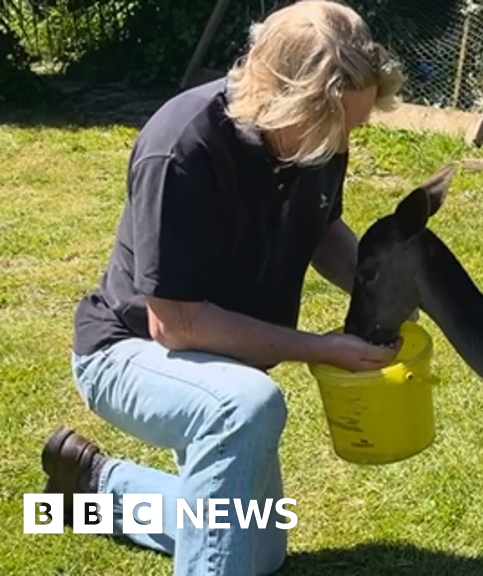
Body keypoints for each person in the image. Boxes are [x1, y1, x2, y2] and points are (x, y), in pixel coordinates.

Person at [39, 2, 407, 574]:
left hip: (220, 358)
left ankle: (94, 486)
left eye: (352, 128)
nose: (342, 145)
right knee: (246, 407)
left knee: (260, 547)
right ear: (284, 98)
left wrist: (387, 291)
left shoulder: (315, 136)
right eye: (336, 127)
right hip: (130, 350)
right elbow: (177, 325)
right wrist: (320, 347)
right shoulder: (183, 149)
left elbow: (322, 228)